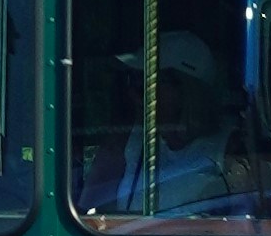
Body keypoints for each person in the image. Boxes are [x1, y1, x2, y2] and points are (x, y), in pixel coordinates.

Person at [104, 30, 249, 215]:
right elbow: (95, 211)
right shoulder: (133, 141)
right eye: (134, 82)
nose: (135, 94)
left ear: (187, 89)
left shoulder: (230, 150)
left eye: (147, 82)